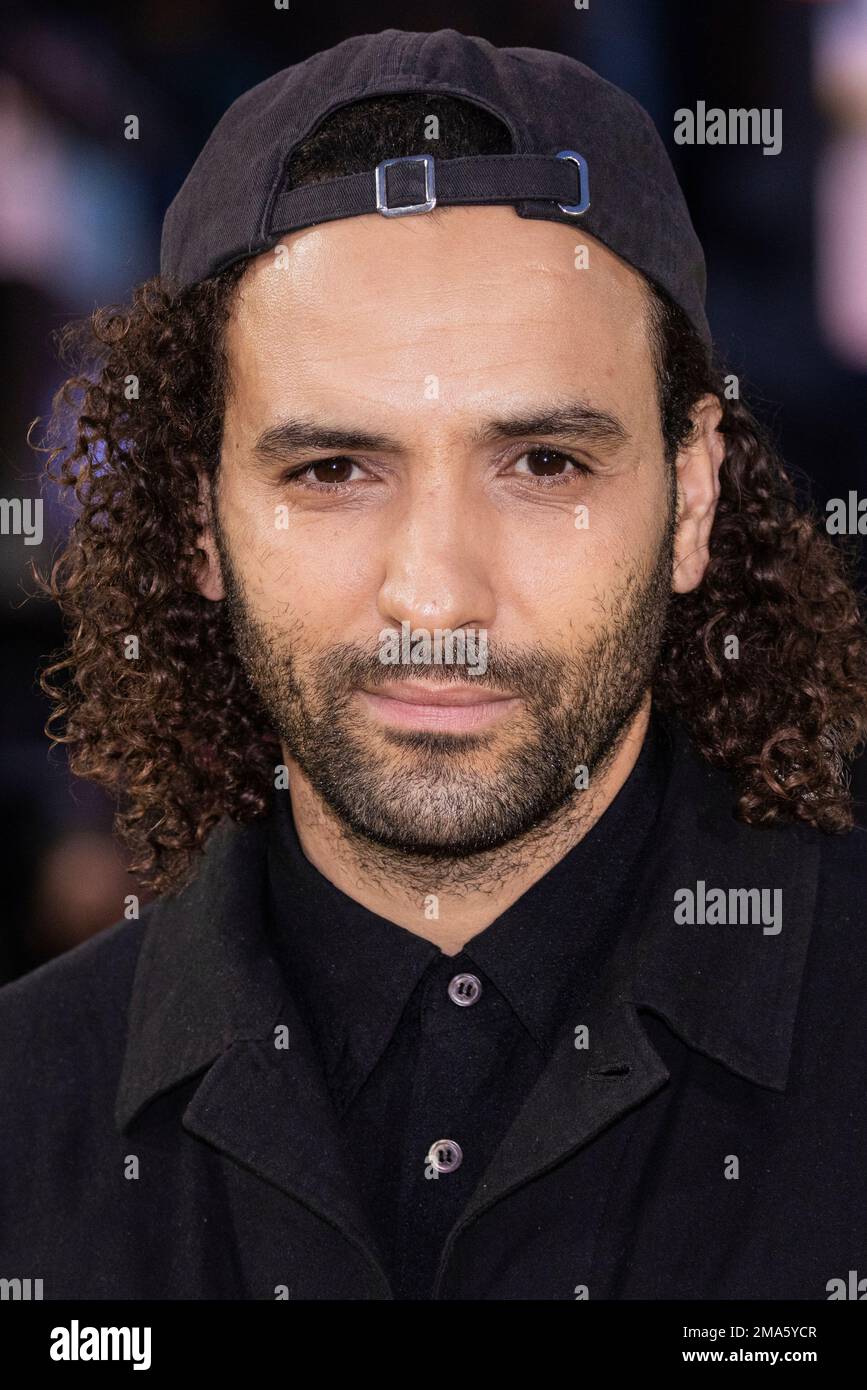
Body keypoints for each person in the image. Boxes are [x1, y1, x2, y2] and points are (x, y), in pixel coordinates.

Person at [1, 28, 866, 1301]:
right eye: (333, 471)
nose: (436, 595)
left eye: (545, 464)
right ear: (198, 522)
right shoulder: (26, 1119)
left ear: (690, 501)